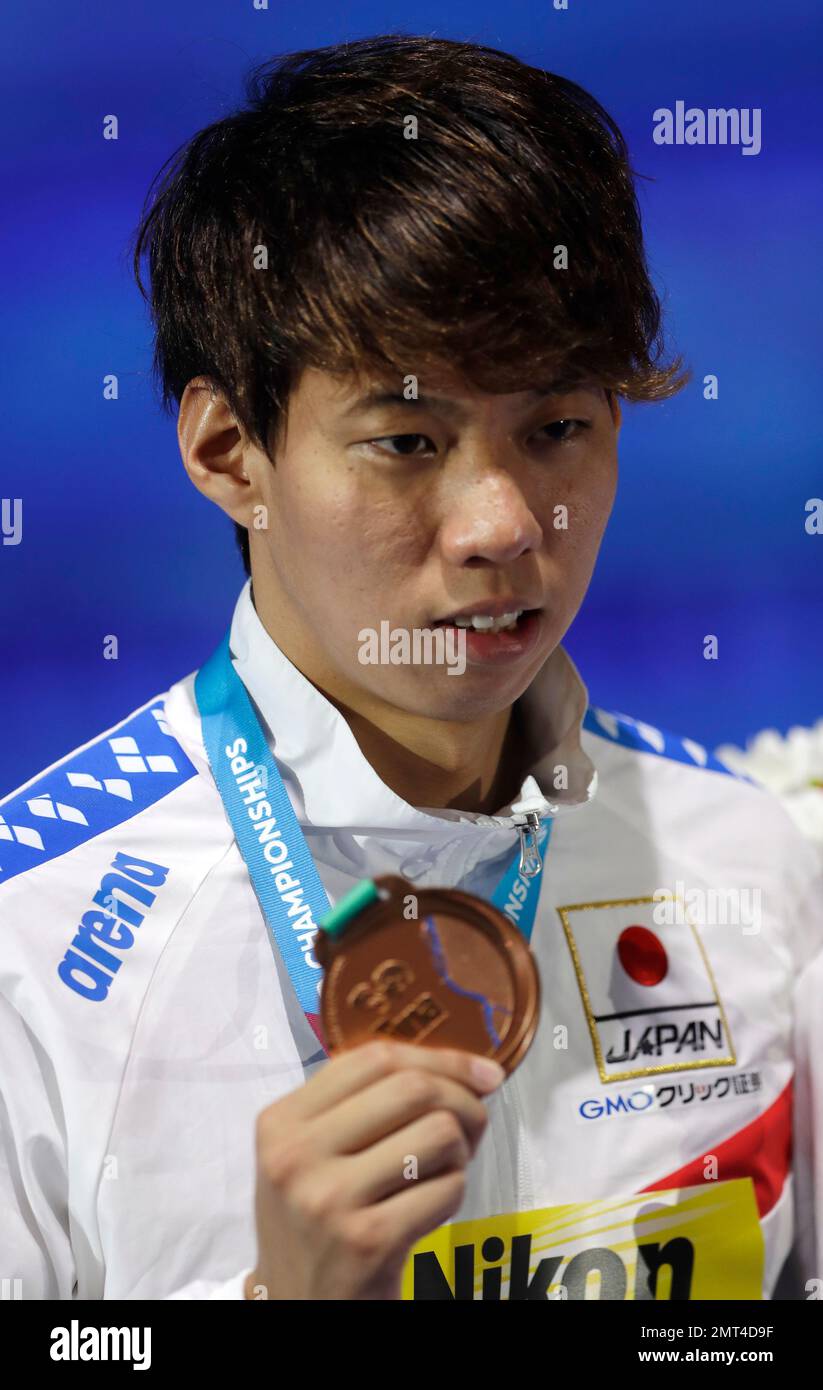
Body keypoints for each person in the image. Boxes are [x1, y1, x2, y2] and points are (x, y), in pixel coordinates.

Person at [1, 33, 820, 1302]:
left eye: (556, 428)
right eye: (405, 438)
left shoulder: (752, 861)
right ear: (230, 453)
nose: (501, 523)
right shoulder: (34, 948)